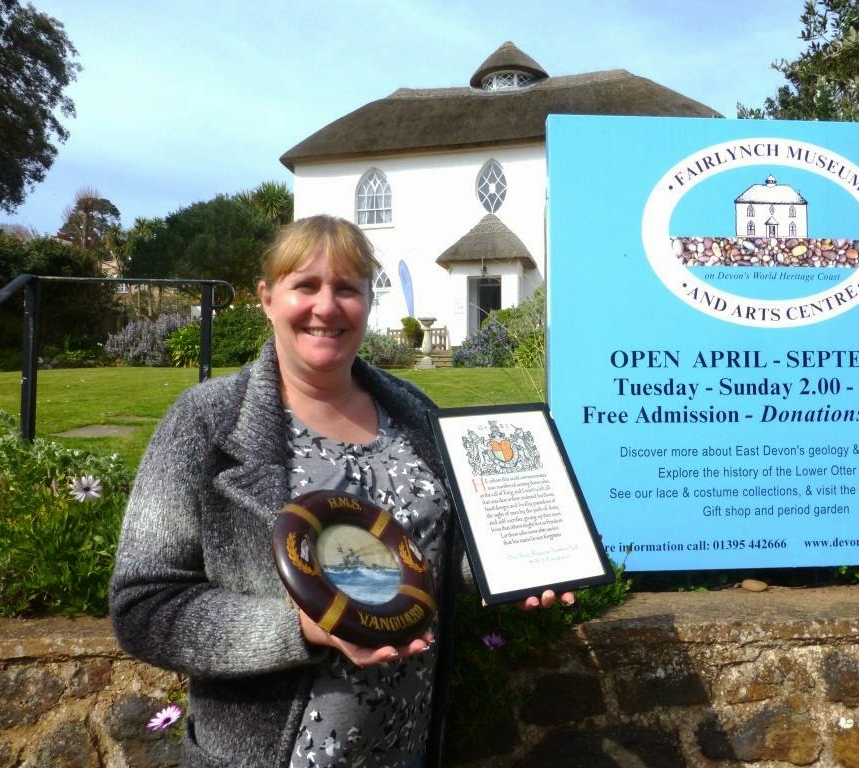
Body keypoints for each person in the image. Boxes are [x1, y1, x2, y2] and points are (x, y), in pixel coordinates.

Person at [110, 214, 571, 768]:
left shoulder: (416, 413)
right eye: (305, 285)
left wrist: (514, 570)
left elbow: (425, 560)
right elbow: (144, 606)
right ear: (267, 298)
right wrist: (300, 628)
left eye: (347, 288)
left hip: (405, 746)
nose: (326, 307)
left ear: (367, 302)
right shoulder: (205, 423)